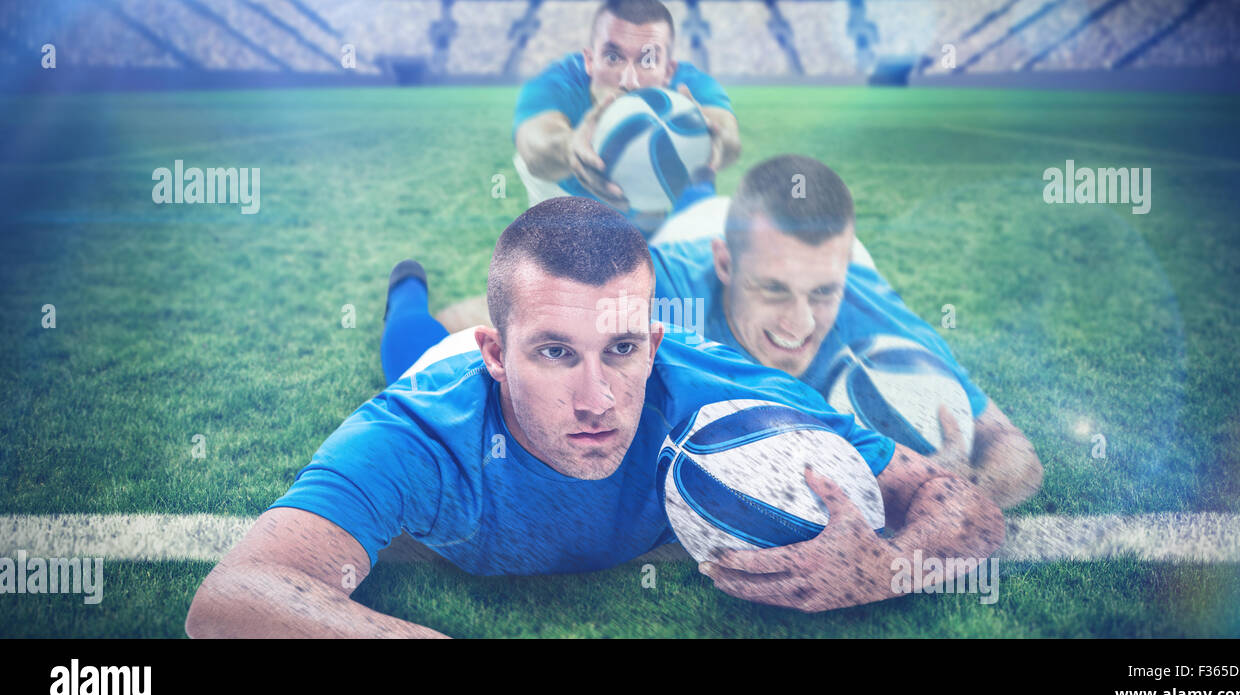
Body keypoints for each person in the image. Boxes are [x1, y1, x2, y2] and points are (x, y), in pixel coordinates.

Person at [185, 198, 1004, 637]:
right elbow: (235, 596)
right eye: (552, 353)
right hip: (435, 369)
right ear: (498, 355)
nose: (596, 399)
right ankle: (408, 288)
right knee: (405, 342)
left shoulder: (718, 392)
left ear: (654, 341)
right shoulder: (422, 431)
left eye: (620, 350)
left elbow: (964, 503)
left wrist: (888, 563)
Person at [650, 155, 1044, 509]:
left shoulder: (868, 311)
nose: (799, 323)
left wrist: (947, 493)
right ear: (725, 264)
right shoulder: (663, 291)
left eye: (822, 292)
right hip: (690, 226)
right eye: (773, 288)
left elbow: (1011, 448)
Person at [512, 0, 740, 218]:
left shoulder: (691, 83)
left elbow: (728, 135)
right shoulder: (557, 81)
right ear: (589, 61)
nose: (629, 81)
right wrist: (570, 148)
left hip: (650, 202)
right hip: (560, 193)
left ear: (669, 71)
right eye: (613, 57)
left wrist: (711, 139)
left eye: (648, 60)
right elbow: (533, 142)